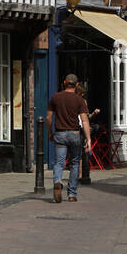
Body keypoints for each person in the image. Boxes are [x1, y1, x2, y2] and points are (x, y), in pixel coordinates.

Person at [47, 73, 92, 202]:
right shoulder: (79, 100)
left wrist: (50, 132)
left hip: (60, 133)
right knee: (74, 163)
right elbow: (84, 121)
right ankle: (72, 194)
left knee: (59, 162)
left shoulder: (56, 97)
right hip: (74, 134)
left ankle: (57, 180)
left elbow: (48, 117)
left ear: (64, 83)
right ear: (77, 85)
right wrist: (88, 139)